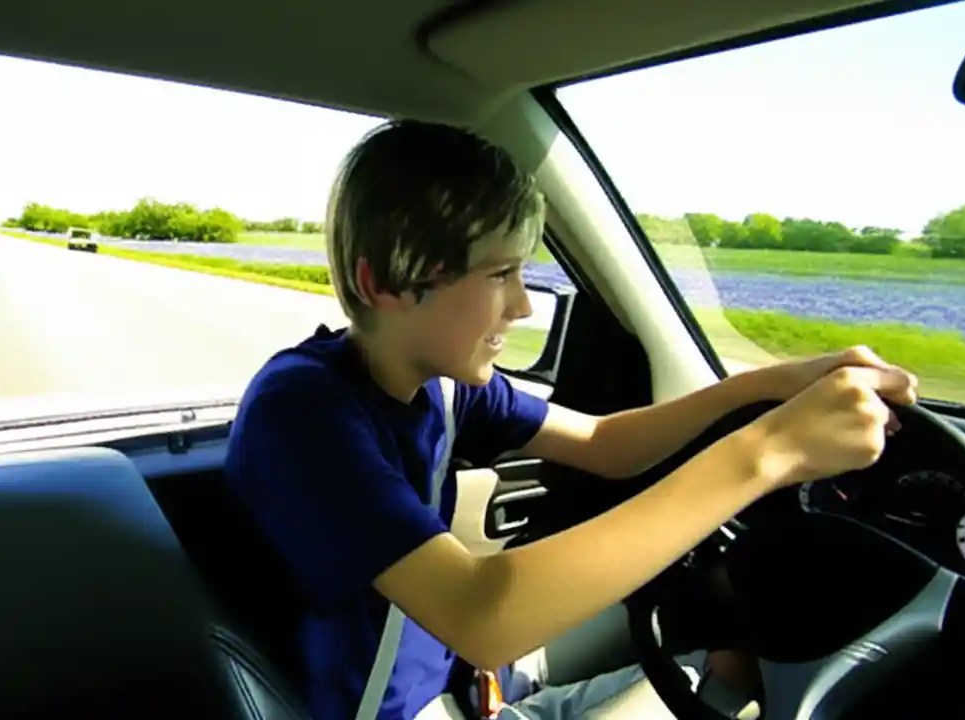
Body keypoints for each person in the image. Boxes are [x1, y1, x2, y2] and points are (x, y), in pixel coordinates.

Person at [222, 119, 918, 720]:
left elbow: (604, 443)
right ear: (384, 284)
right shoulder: (303, 411)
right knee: (726, 681)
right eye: (500, 275)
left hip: (454, 681)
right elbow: (479, 614)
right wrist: (770, 452)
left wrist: (764, 386)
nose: (523, 306)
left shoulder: (442, 386)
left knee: (729, 659)